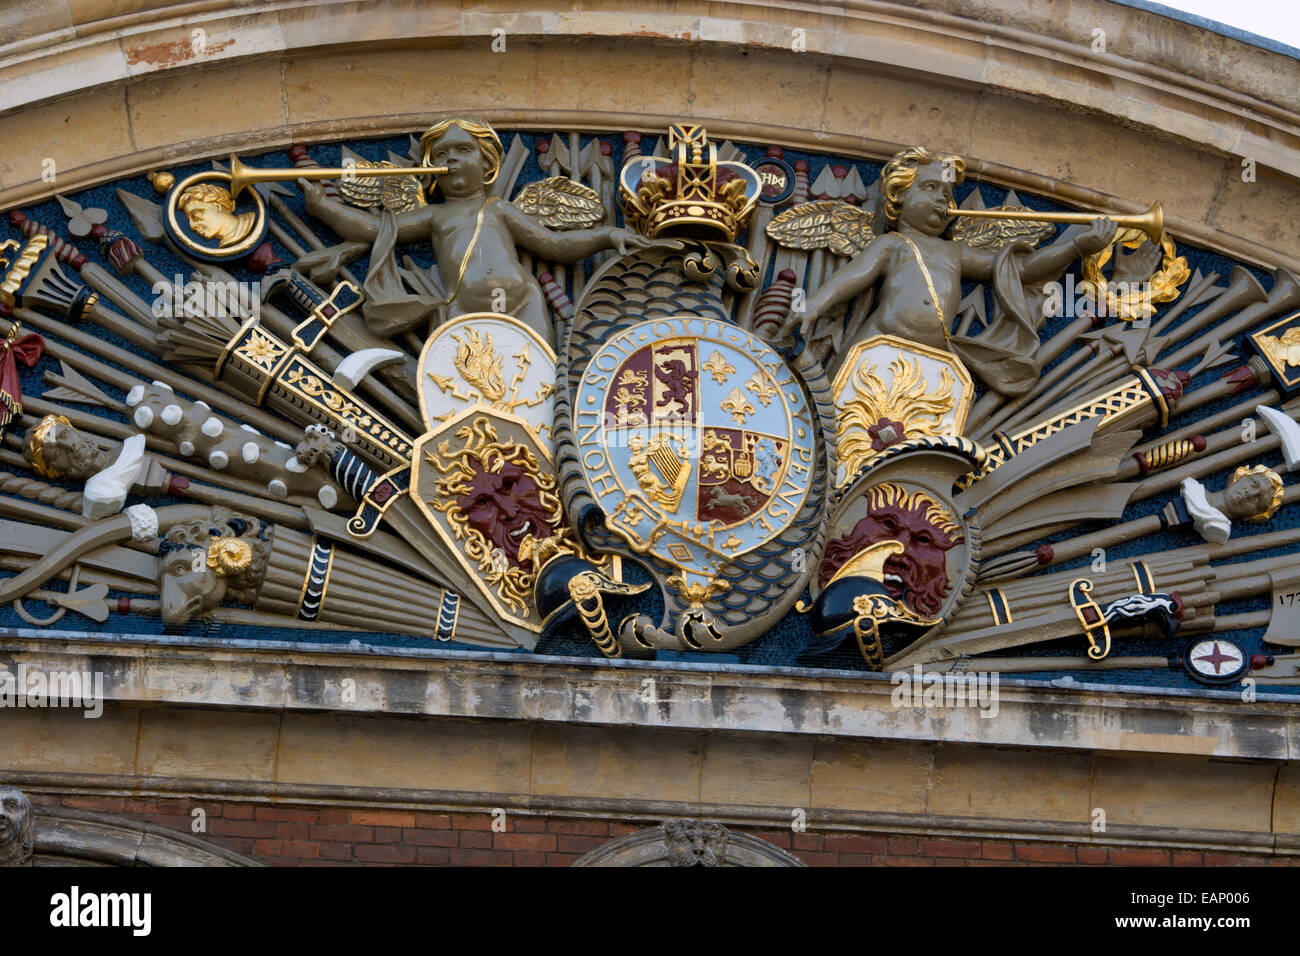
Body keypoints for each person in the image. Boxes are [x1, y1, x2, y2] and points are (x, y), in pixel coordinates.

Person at [781, 146, 1118, 394]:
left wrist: (1076, 247)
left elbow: (1021, 268)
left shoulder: (954, 252)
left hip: (934, 359)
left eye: (947, 194)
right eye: (930, 188)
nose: (943, 200)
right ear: (898, 195)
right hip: (878, 346)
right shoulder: (893, 244)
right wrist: (812, 305)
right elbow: (853, 276)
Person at [302, 117, 648, 348]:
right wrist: (323, 207)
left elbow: (555, 244)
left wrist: (607, 236)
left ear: (487, 164)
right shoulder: (435, 216)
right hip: (462, 313)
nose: (451, 159)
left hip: (523, 303)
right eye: (441, 154)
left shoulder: (498, 209)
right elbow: (376, 229)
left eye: (463, 150)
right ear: (430, 169)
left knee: (538, 377)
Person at [177, 183, 257, 247]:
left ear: (218, 206)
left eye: (196, 216)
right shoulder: (224, 247)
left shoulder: (255, 222)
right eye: (189, 220)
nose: (192, 226)